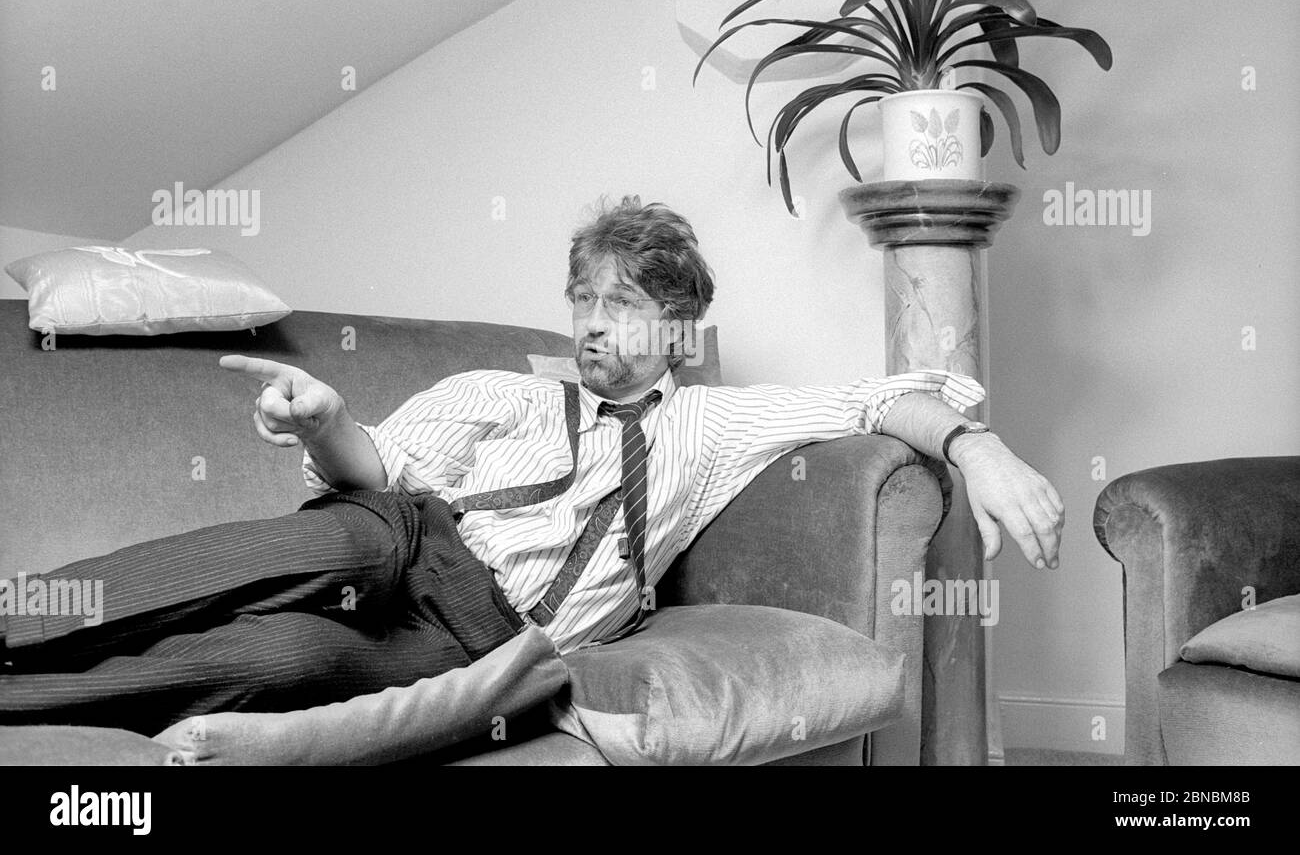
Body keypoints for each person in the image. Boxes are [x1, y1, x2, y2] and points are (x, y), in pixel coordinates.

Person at [0, 195, 1063, 735]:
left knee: (284, 667)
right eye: (584, 301)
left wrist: (981, 447)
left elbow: (878, 394)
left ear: (680, 326)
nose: (595, 326)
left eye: (623, 305)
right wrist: (326, 420)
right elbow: (382, 464)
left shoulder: (710, 428)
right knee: (362, 525)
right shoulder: (499, 392)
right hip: (405, 545)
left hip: (487, 641)